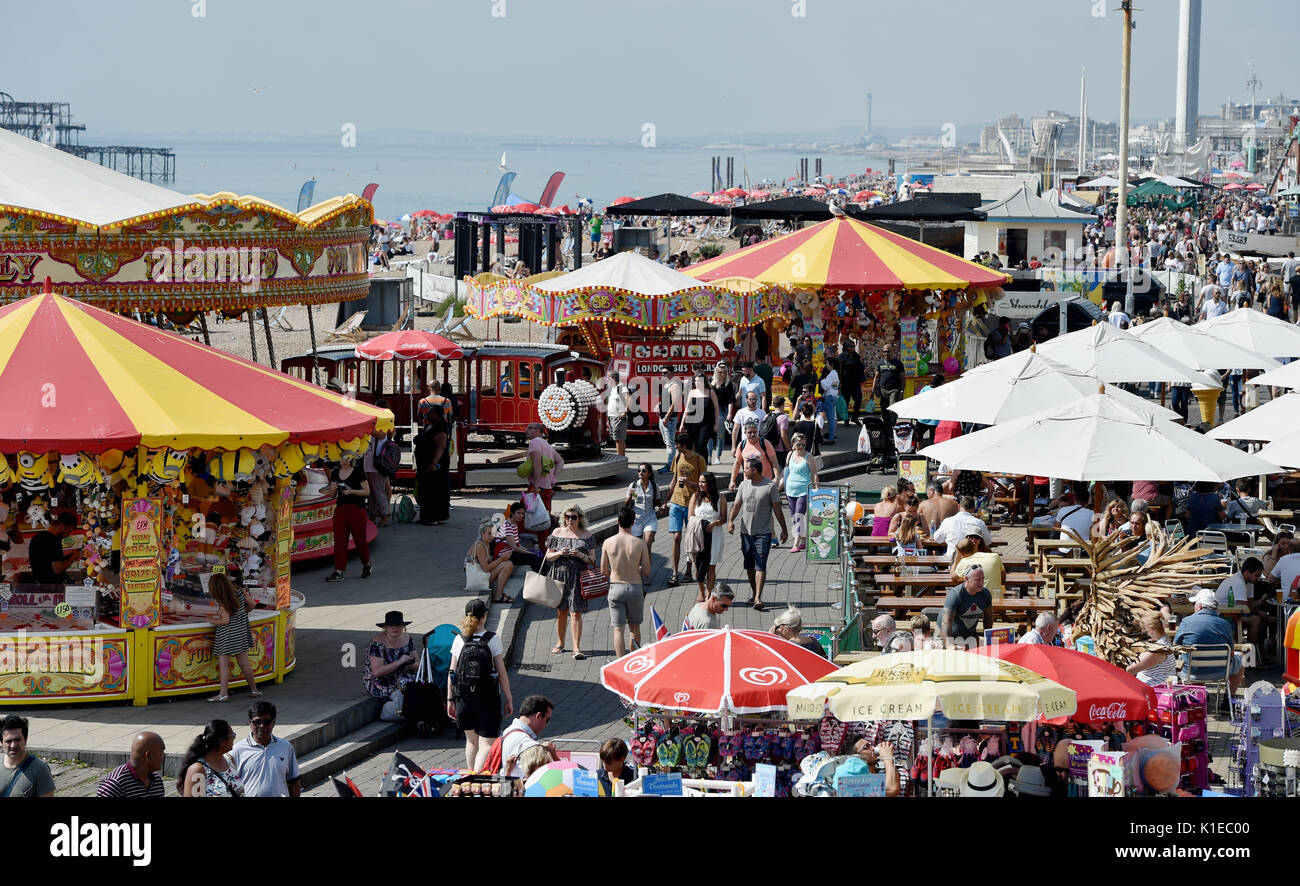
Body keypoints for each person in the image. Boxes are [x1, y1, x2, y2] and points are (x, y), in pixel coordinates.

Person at [448, 599, 512, 771]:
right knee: (486, 744)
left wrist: (450, 699)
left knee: (471, 741)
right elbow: (502, 673)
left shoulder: (458, 639)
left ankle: (470, 778)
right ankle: (477, 778)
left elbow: (452, 673)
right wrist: (509, 698)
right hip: (488, 699)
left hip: (463, 699)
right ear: (484, 616)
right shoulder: (493, 639)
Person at [728, 456, 789, 611]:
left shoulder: (770, 487)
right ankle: (755, 592)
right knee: (749, 565)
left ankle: (758, 598)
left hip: (764, 533)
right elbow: (736, 505)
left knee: (760, 564)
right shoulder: (743, 484)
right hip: (746, 533)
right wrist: (730, 521)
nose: (744, 471)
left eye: (746, 469)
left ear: (754, 470)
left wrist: (784, 529)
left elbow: (777, 509)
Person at [545, 504, 597, 660]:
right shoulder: (557, 532)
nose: (570, 520)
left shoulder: (586, 535)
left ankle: (576, 648)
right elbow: (548, 556)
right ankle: (560, 642)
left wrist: (581, 556)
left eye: (573, 517)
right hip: (559, 576)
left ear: (579, 518)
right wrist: (561, 552)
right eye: (567, 517)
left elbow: (593, 560)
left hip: (578, 577)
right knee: (561, 611)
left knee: (575, 613)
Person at [601, 506, 651, 657]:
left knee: (618, 629)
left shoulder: (608, 542)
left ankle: (619, 661)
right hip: (635, 587)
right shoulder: (640, 543)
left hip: (616, 587)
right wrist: (637, 569)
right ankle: (633, 660)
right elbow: (647, 571)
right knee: (634, 628)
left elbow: (603, 570)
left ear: (618, 521)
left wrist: (615, 572)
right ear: (633, 523)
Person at [1174, 590, 1243, 697]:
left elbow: (1175, 646)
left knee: (1185, 658)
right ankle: (1229, 698)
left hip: (1190, 672)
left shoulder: (1186, 622)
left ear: (1200, 606)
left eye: (1194, 604)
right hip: (1220, 673)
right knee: (1240, 659)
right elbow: (1232, 653)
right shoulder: (1225, 624)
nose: (1194, 607)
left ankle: (1199, 695)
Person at [205, 573, 260, 703]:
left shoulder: (223, 600)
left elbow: (225, 620)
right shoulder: (239, 591)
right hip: (240, 631)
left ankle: (223, 694)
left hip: (227, 635)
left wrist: (210, 619)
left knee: (224, 664)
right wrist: (242, 613)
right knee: (244, 664)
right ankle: (254, 690)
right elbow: (252, 604)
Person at [230, 701, 301, 797]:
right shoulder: (237, 750)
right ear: (250, 723)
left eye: (267, 722)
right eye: (257, 722)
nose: (262, 726)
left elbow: (294, 781)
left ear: (274, 723)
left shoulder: (285, 747)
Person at [665, 434, 707, 587]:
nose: (676, 446)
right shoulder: (677, 457)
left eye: (677, 444)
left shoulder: (699, 460)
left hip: (693, 504)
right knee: (676, 537)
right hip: (676, 502)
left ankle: (689, 570)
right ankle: (675, 573)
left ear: (684, 444)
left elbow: (704, 485)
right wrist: (665, 500)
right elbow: (674, 479)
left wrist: (691, 483)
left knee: (691, 540)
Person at [324, 453, 372, 582]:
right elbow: (332, 495)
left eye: (346, 458)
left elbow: (367, 491)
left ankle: (366, 563)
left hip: (357, 509)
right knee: (339, 541)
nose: (344, 461)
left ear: (352, 458)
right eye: (341, 458)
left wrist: (351, 491)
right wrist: (333, 489)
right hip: (341, 510)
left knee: (360, 539)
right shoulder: (335, 473)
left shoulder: (357, 471)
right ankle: (339, 571)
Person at [363, 609, 418, 712]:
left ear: (403, 627)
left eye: (398, 625)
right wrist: (399, 662)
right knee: (405, 693)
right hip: (381, 681)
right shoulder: (377, 643)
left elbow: (417, 666)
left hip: (403, 676)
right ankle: (390, 713)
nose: (395, 628)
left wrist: (410, 663)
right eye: (391, 625)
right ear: (385, 627)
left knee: (420, 688)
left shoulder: (408, 639)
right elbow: (377, 672)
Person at [688, 473, 728, 602]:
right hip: (699, 534)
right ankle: (701, 589)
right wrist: (702, 523)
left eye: (703, 482)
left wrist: (715, 523)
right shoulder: (695, 496)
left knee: (711, 566)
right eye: (699, 481)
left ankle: (709, 593)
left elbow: (723, 518)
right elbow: (690, 516)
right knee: (699, 564)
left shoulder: (720, 498)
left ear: (710, 483)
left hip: (714, 534)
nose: (700, 484)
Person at [178, 720, 243, 797]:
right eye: (232, 735)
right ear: (222, 741)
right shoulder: (198, 770)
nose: (234, 738)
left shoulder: (229, 760)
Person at [499, 694, 556, 778]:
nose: (546, 725)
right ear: (539, 716)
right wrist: (553, 755)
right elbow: (554, 776)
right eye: (547, 720)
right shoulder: (528, 743)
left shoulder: (508, 731)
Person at [97, 731, 166, 798]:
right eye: (161, 753)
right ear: (148, 756)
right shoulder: (115, 784)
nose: (164, 755)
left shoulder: (156, 780)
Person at [0, 714, 54, 797]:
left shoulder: (40, 769)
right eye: (8, 741)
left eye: (17, 739)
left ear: (25, 740)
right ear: (1, 742)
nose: (13, 745)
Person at [782, 432, 818, 553]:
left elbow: (814, 474)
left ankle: (796, 543)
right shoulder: (790, 455)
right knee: (794, 517)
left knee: (799, 515)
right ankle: (803, 539)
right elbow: (787, 471)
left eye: (803, 444)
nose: (801, 447)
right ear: (793, 444)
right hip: (790, 490)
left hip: (804, 490)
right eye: (799, 444)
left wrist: (816, 488)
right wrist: (781, 483)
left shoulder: (809, 457)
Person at [467, 519, 516, 604]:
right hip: (478, 578)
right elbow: (486, 568)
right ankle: (498, 595)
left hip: (481, 575)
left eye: (493, 533)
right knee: (507, 564)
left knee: (507, 563)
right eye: (489, 533)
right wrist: (501, 559)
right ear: (482, 534)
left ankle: (499, 594)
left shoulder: (486, 543)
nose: (492, 536)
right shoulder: (479, 545)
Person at [941, 566, 992, 648]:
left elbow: (988, 617)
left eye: (983, 578)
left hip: (969, 637)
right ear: (967, 579)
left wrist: (988, 639)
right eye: (978, 580)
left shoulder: (985, 594)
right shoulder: (956, 595)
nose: (982, 582)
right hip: (950, 636)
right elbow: (946, 622)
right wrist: (949, 644)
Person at [414, 412, 450, 525]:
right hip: (424, 466)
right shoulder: (430, 426)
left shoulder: (441, 430)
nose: (428, 415)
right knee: (425, 491)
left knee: (434, 492)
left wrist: (433, 463)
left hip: (435, 468)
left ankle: (433, 517)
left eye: (432, 413)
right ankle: (427, 516)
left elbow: (441, 447)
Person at [1126, 611, 1178, 687]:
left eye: (1143, 629)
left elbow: (1130, 670)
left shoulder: (1158, 650)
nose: (1142, 632)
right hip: (1151, 686)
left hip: (1154, 690)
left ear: (1151, 630)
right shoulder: (1162, 640)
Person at [931, 496, 992, 561]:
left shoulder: (948, 521)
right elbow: (988, 541)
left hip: (952, 559)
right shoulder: (979, 523)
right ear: (973, 508)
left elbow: (937, 538)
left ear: (959, 506)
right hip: (972, 560)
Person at [525, 422, 564, 511]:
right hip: (547, 488)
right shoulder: (546, 444)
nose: (526, 430)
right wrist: (554, 478)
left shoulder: (534, 442)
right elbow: (560, 461)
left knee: (523, 514)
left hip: (537, 488)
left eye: (530, 428)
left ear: (538, 431)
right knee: (544, 515)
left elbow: (537, 464)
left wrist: (535, 487)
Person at [624, 463, 659, 562]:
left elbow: (657, 501)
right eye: (639, 471)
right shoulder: (634, 485)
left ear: (650, 473)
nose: (641, 473)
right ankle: (637, 570)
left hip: (650, 518)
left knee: (647, 545)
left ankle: (647, 575)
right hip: (636, 520)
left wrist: (661, 506)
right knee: (637, 548)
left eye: (644, 471)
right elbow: (627, 504)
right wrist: (630, 496)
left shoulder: (654, 486)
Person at [729, 418, 779, 488]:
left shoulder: (765, 443)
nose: (752, 434)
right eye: (749, 432)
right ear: (745, 433)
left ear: (757, 431)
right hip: (748, 483)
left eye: (754, 432)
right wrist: (732, 480)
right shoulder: (741, 445)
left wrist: (776, 477)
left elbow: (774, 462)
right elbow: (737, 464)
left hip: (765, 482)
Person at [28, 513, 77, 584]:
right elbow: (58, 569)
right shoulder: (53, 540)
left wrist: (70, 556)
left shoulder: (38, 537)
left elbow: (49, 559)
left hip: (42, 584)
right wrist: (73, 557)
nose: (67, 535)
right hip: (53, 586)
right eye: (68, 531)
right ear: (61, 527)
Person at [362, 428, 393, 528]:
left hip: (377, 466)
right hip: (368, 465)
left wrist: (364, 427)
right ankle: (373, 515)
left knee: (379, 492)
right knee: (371, 493)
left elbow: (381, 434)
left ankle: (385, 516)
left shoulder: (381, 427)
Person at [682, 373, 719, 457]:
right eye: (695, 381)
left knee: (701, 444)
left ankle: (703, 466)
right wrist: (682, 423)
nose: (696, 382)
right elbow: (687, 409)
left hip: (706, 423)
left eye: (698, 381)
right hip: (692, 423)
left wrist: (716, 424)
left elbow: (716, 409)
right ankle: (696, 466)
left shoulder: (710, 392)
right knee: (694, 445)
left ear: (703, 381)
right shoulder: (692, 392)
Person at [657, 372, 683, 474]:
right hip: (664, 417)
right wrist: (659, 405)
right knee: (667, 443)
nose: (662, 374)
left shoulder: (674, 386)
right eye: (662, 372)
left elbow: (675, 403)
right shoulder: (666, 385)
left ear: (671, 374)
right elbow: (666, 400)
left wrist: (667, 416)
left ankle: (670, 466)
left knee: (670, 444)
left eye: (665, 373)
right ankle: (671, 464)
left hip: (669, 419)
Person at [872, 344, 905, 423]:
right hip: (883, 389)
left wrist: (902, 391)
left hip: (894, 389)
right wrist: (873, 389)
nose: (886, 353)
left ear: (892, 351)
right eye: (884, 352)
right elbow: (876, 377)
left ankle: (892, 424)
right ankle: (886, 425)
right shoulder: (880, 363)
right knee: (884, 408)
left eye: (888, 351)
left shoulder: (898, 363)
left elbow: (903, 378)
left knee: (892, 408)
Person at [712, 363, 736, 464]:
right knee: (709, 435)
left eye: (725, 372)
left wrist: (730, 413)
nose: (722, 374)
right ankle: (709, 457)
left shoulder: (728, 384)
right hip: (711, 409)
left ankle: (718, 456)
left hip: (722, 410)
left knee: (720, 435)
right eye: (720, 372)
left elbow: (731, 400)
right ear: (717, 372)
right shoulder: (711, 383)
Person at [839, 342, 865, 424]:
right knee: (846, 401)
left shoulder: (855, 355)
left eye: (853, 346)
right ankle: (846, 419)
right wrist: (840, 381)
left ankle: (855, 417)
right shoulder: (842, 356)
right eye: (851, 346)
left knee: (859, 398)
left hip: (856, 382)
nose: (852, 348)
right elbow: (839, 370)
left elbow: (860, 364)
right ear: (846, 347)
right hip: (846, 383)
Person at [606, 369, 630, 457]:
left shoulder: (621, 387)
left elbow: (629, 399)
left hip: (618, 417)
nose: (606, 379)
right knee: (618, 439)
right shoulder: (613, 388)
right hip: (613, 417)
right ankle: (622, 458)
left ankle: (620, 458)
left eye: (608, 377)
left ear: (613, 378)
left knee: (619, 439)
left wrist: (625, 411)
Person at [819, 357, 841, 442]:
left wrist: (822, 381)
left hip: (829, 397)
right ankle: (831, 435)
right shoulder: (835, 374)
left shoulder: (832, 374)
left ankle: (831, 437)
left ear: (831, 365)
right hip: (833, 397)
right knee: (831, 418)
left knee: (830, 418)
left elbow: (825, 385)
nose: (826, 365)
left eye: (827, 363)